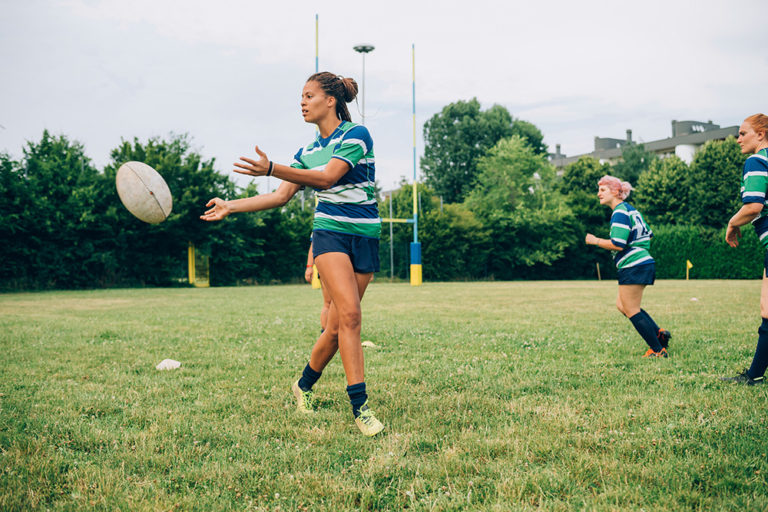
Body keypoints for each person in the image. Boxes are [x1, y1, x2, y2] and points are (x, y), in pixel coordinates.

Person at [201, 72, 384, 436]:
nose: (302, 102)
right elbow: (280, 196)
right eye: (301, 96)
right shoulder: (305, 153)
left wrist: (271, 168)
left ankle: (302, 385)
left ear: (330, 101)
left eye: (309, 95)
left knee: (334, 330)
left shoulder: (355, 135)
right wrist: (231, 205)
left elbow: (329, 177)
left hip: (365, 235)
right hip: (329, 235)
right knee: (349, 315)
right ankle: (360, 407)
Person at [585, 175, 671, 358]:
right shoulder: (631, 210)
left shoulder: (619, 212)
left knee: (631, 309)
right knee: (622, 305)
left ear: (616, 192)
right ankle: (659, 334)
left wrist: (595, 241)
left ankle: (657, 349)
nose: (598, 194)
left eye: (602, 190)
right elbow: (649, 235)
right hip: (641, 263)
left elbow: (618, 243)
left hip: (634, 265)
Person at [722, 113, 768, 385]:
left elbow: (753, 206)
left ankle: (753, 376)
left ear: (761, 134)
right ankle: (754, 375)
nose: (738, 139)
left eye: (743, 133)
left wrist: (731, 223)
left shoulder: (756, 161)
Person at [305, 241, 331, 333]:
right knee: (328, 303)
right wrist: (309, 266)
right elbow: (313, 244)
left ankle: (342, 331)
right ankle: (325, 332)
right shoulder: (319, 227)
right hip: (325, 265)